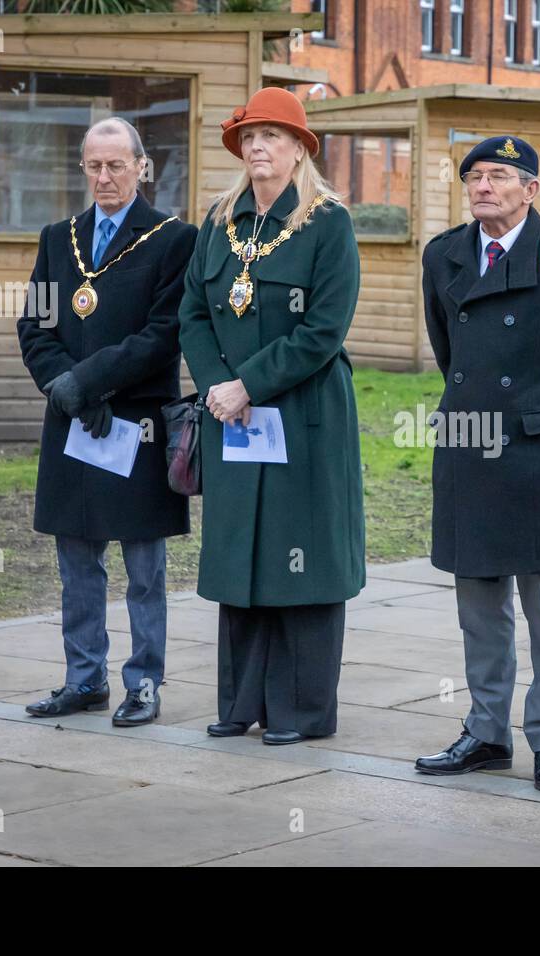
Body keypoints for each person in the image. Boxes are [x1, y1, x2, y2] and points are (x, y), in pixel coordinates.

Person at [414, 135, 540, 791]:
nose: (482, 186)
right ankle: (486, 733)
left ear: (530, 189)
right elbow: (451, 357)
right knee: (478, 605)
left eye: (499, 175)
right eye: (474, 175)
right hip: (469, 446)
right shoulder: (443, 254)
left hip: (536, 451)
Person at [178, 88, 364, 746]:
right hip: (233, 417)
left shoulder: (328, 222)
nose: (259, 147)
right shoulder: (221, 219)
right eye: (250, 137)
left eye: (273, 137)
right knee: (242, 555)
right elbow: (193, 313)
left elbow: (322, 331)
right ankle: (242, 703)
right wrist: (217, 386)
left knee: (300, 559)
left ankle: (301, 711)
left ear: (299, 148)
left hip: (304, 417)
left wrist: (247, 384)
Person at [17, 117, 197, 727]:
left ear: (141, 167)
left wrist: (88, 381)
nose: (104, 177)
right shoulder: (57, 237)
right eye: (93, 165)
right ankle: (83, 677)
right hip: (72, 421)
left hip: (137, 424)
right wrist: (66, 389)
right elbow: (35, 327)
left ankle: (144, 682)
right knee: (76, 559)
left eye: (116, 165)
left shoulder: (174, 239)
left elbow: (163, 334)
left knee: (144, 567)